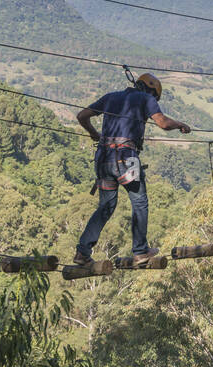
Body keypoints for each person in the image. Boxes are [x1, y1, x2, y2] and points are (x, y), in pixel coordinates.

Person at [73, 73, 191, 267]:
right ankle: (140, 251)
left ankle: (82, 252)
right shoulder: (146, 99)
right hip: (125, 157)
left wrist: (94, 134)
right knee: (139, 202)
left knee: (106, 207)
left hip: (103, 158)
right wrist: (180, 125)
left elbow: (82, 116)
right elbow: (163, 123)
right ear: (151, 91)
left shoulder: (111, 96)